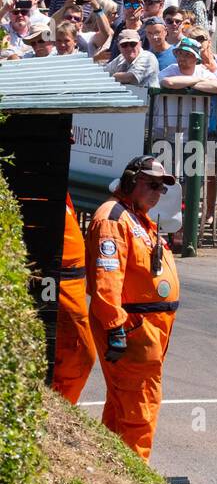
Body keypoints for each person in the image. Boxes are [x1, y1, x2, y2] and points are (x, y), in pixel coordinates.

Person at [86, 156, 182, 461]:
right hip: (133, 327)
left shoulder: (136, 217)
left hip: (147, 330)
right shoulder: (114, 218)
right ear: (130, 182)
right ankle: (135, 477)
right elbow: (107, 278)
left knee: (122, 406)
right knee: (140, 409)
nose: (157, 192)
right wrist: (116, 327)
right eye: (151, 184)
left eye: (162, 188)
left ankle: (113, 472)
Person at [52, 193, 96, 404]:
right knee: (79, 354)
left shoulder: (58, 186)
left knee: (78, 356)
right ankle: (56, 408)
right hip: (58, 286)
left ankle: (58, 408)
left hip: (71, 285)